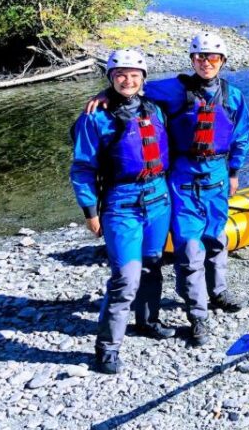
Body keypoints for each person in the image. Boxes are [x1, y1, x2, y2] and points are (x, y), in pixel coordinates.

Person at [86, 32, 249, 346]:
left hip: (217, 175)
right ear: (191, 59)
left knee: (217, 238)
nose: (206, 62)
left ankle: (218, 292)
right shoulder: (173, 89)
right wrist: (105, 91)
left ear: (223, 61)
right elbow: (133, 87)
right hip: (183, 178)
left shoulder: (234, 96)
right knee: (189, 250)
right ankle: (198, 317)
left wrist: (234, 172)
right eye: (200, 56)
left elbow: (241, 136)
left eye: (213, 57)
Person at [71, 49, 175, 374]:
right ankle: (107, 347)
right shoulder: (95, 118)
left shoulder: (156, 109)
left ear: (143, 79)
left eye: (134, 75)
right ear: (111, 79)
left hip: (159, 198)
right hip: (121, 202)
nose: (127, 80)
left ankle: (147, 321)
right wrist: (90, 211)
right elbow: (83, 168)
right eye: (119, 75)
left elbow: (191, 87)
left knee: (152, 264)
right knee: (125, 278)